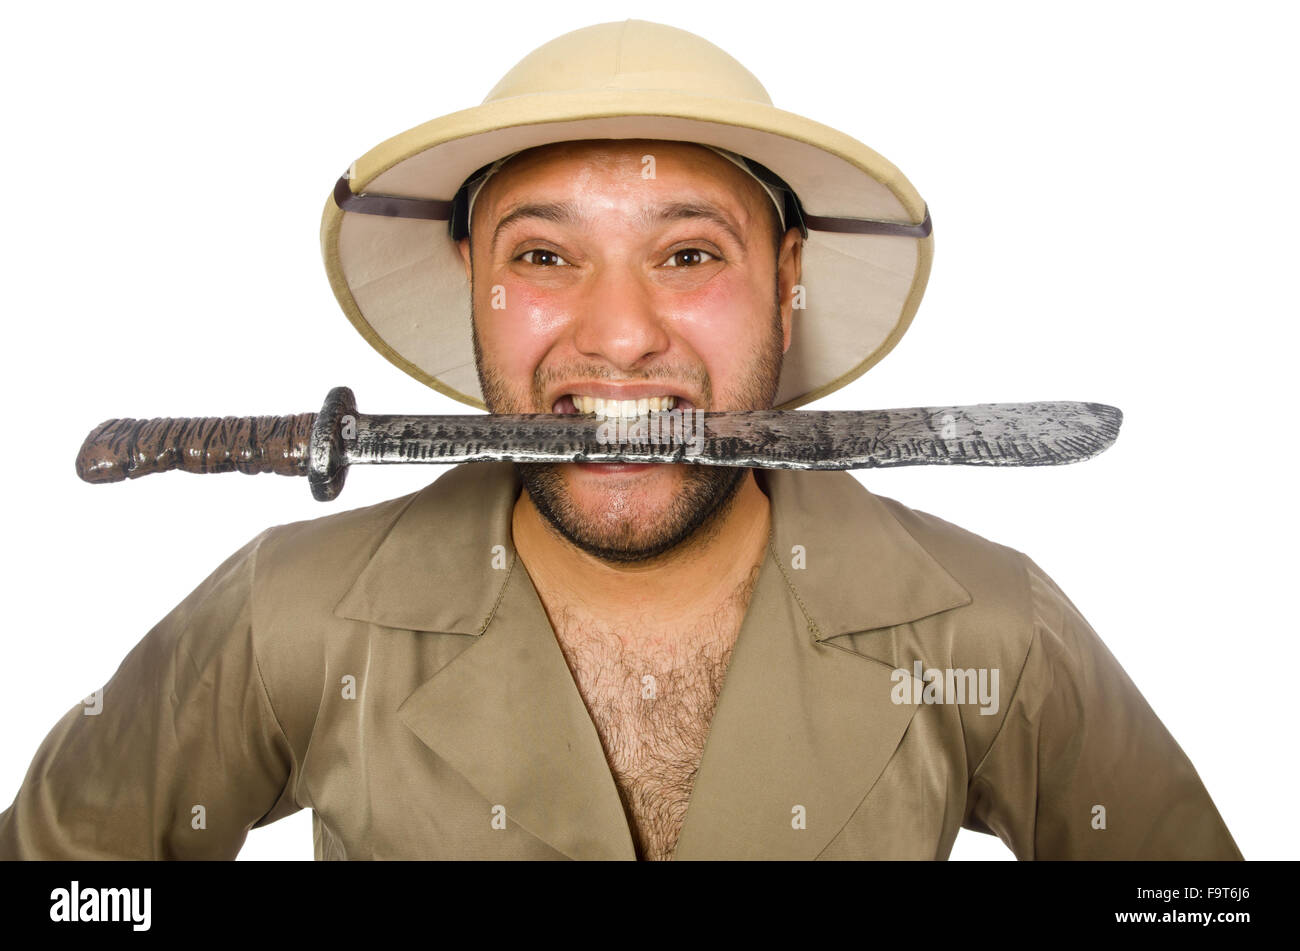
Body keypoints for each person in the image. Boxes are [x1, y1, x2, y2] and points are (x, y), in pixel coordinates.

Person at [0, 19, 1240, 861]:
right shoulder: (290, 613)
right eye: (544, 257)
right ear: (471, 277)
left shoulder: (988, 625)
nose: (622, 336)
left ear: (787, 279)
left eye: (689, 255)